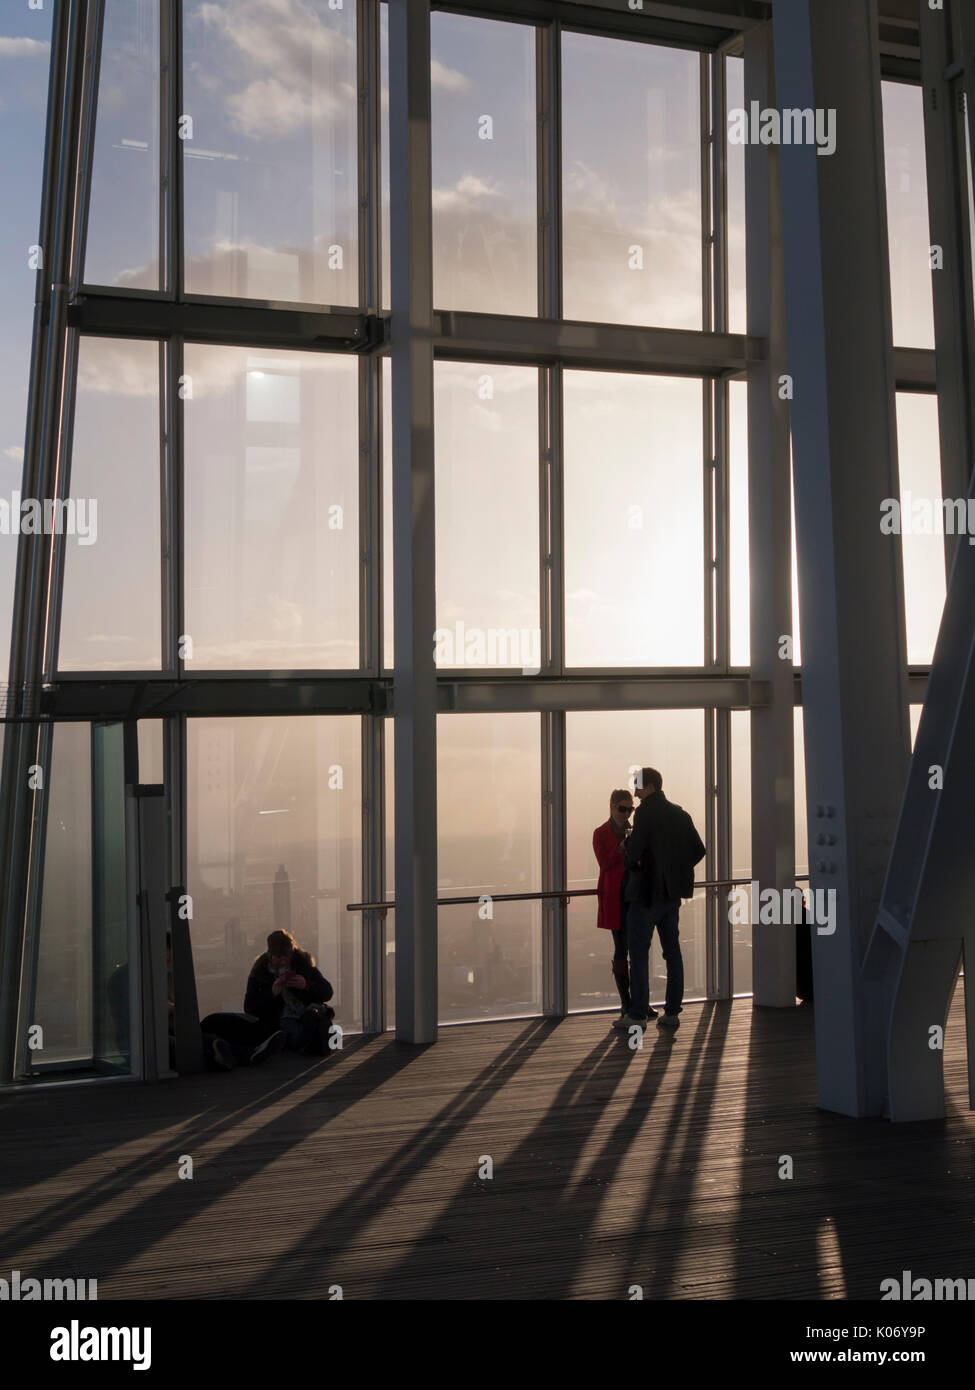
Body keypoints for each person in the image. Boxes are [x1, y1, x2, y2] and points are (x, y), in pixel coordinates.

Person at [615, 767, 706, 1033]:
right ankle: (672, 1012)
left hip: (644, 894)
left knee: (640, 954)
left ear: (651, 787)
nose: (635, 793)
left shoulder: (646, 812)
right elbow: (698, 850)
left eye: (639, 787)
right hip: (671, 895)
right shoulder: (679, 813)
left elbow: (636, 850)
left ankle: (638, 1014)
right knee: (672, 951)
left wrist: (626, 851)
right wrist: (675, 871)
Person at [592, 789, 641, 1021]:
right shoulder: (601, 833)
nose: (626, 814)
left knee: (638, 950)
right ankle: (627, 1003)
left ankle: (639, 1003)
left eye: (629, 809)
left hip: (635, 895)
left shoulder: (637, 830)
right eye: (622, 809)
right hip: (616, 898)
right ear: (611, 807)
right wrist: (621, 848)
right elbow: (604, 862)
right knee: (622, 948)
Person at [245, 929, 335, 1055]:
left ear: (291, 953)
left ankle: (313, 1037)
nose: (282, 961)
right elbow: (249, 1007)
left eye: (286, 957)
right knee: (293, 1028)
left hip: (305, 1010)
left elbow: (327, 992)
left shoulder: (303, 964)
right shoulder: (260, 972)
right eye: (278, 957)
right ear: (270, 955)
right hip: (279, 1019)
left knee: (309, 1021)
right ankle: (315, 1038)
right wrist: (271, 994)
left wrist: (307, 985)